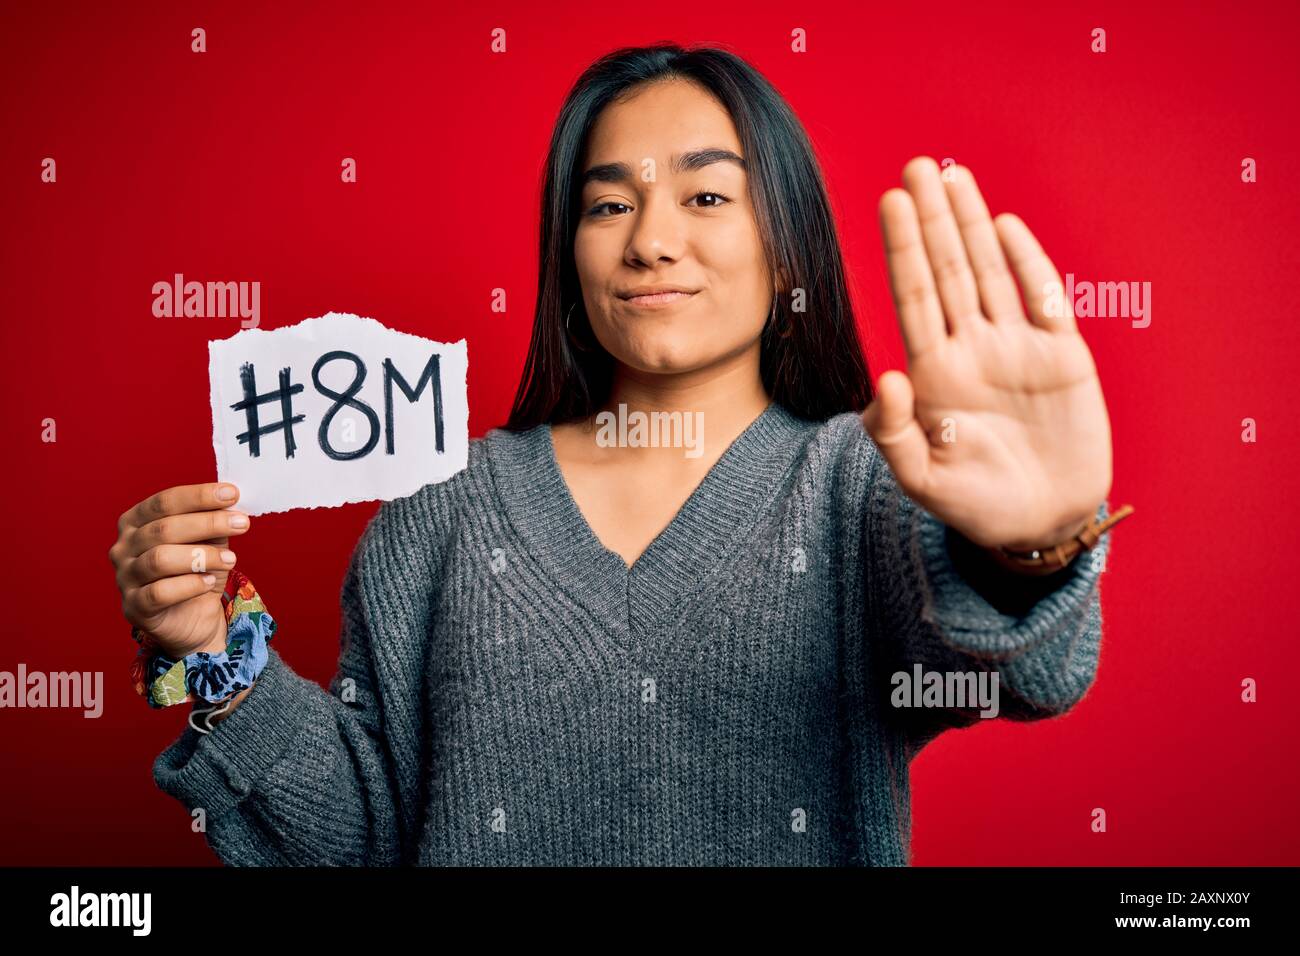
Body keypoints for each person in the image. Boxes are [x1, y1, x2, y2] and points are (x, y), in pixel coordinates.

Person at [108, 43, 1129, 866]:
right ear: (568, 251)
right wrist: (210, 653)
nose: (649, 240)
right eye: (607, 204)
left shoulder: (859, 486)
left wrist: (1031, 545)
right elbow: (364, 837)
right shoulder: (438, 509)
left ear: (789, 248)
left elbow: (1021, 669)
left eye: (706, 197)